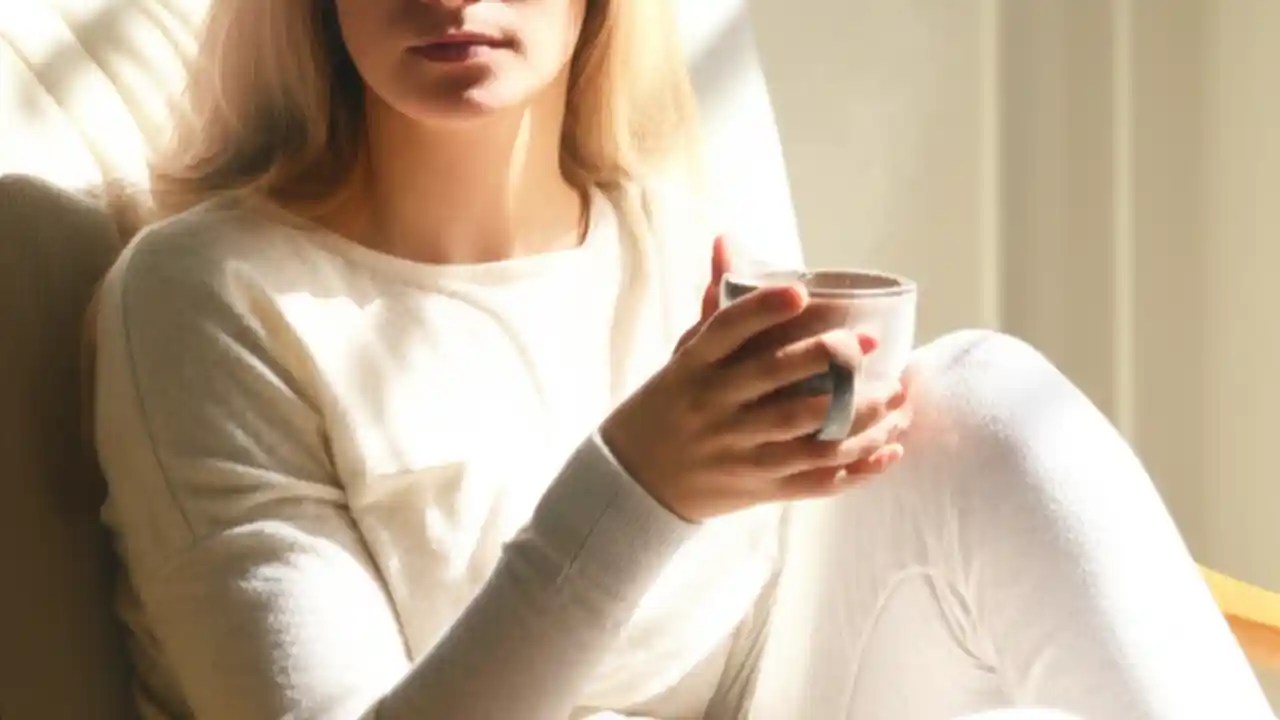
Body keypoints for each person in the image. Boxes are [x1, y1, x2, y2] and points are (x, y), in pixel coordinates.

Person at [91, 0, 1272, 718]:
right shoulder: (210, 299)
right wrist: (641, 484)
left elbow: (787, 630)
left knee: (983, 396)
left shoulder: (679, 239)